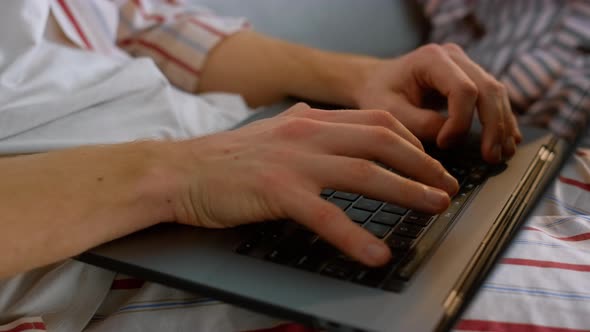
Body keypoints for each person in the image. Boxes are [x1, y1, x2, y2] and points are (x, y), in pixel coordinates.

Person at [0, 0, 521, 331]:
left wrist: (362, 77)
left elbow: (140, 25)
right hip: (99, 264)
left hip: (236, 154)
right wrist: (182, 177)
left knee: (510, 204)